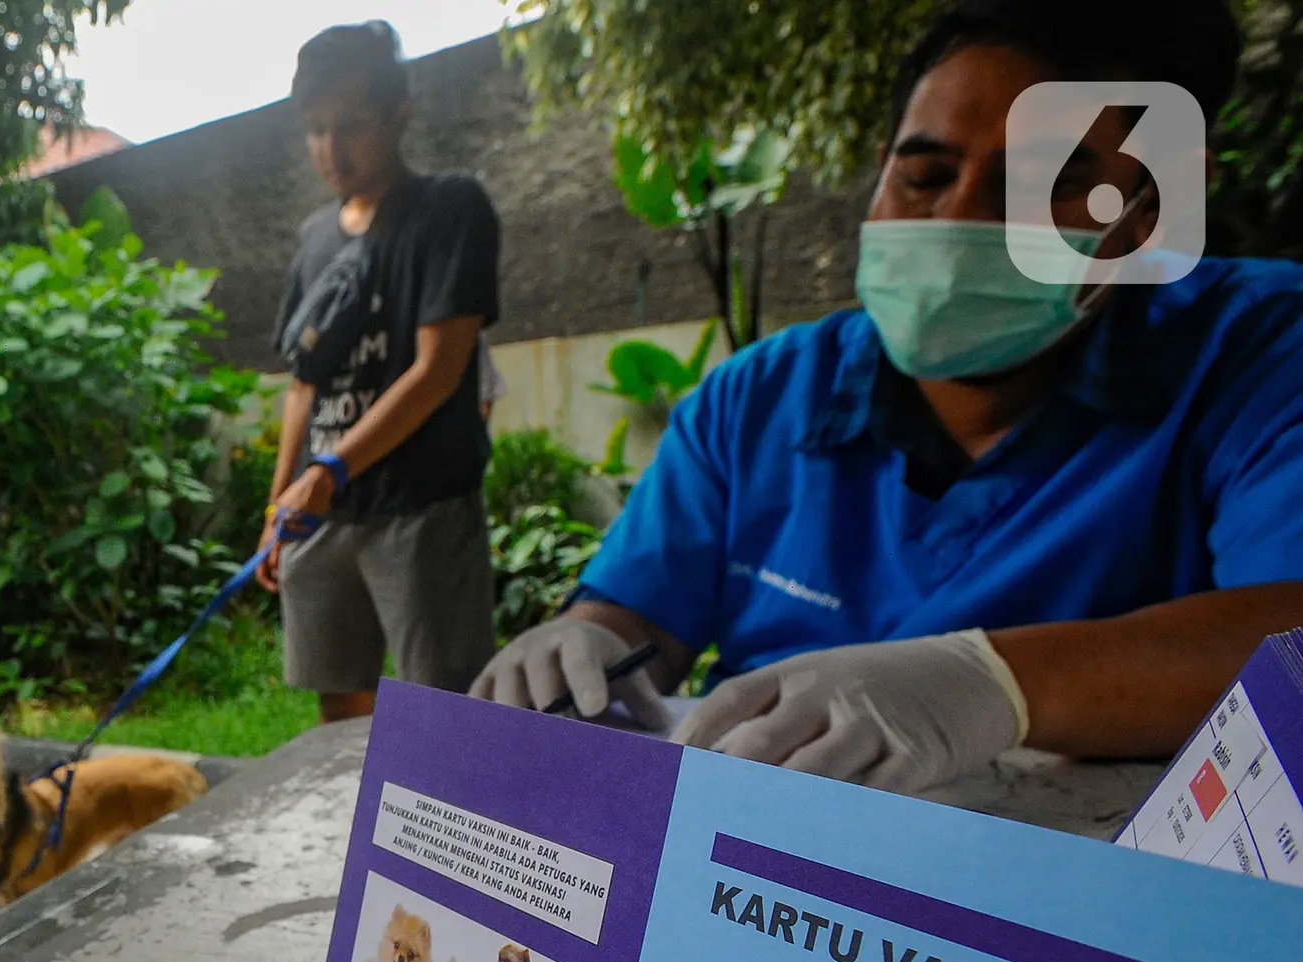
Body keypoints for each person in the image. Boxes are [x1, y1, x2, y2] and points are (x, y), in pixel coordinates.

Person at [473, 0, 1303, 792]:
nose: (961, 220)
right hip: (745, 862)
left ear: (1147, 212)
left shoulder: (1256, 356)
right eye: (926, 174)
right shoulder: (758, 400)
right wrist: (585, 644)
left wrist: (995, 687)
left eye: (1043, 185)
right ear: (880, 177)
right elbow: (638, 621)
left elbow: (1289, 644)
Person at [260, 21, 502, 724]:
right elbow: (304, 384)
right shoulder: (313, 239)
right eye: (314, 130)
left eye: (350, 126)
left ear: (400, 113)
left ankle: (444, 837)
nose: (330, 150)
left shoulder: (450, 210)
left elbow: (436, 371)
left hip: (421, 511)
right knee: (342, 723)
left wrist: (327, 470)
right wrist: (280, 505)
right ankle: (352, 834)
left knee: (445, 717)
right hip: (323, 517)